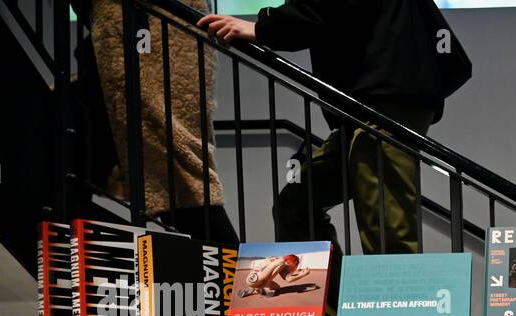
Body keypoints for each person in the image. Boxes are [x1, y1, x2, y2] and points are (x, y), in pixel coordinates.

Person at [199, 0, 471, 255]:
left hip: (386, 98)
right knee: (296, 204)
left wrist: (264, 27)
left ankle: (397, 302)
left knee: (386, 223)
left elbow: (325, 7)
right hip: (373, 102)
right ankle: (328, 300)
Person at [77, 0, 239, 245]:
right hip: (128, 26)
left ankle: (236, 274)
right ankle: (235, 274)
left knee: (180, 171)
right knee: (177, 173)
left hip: (156, 26)